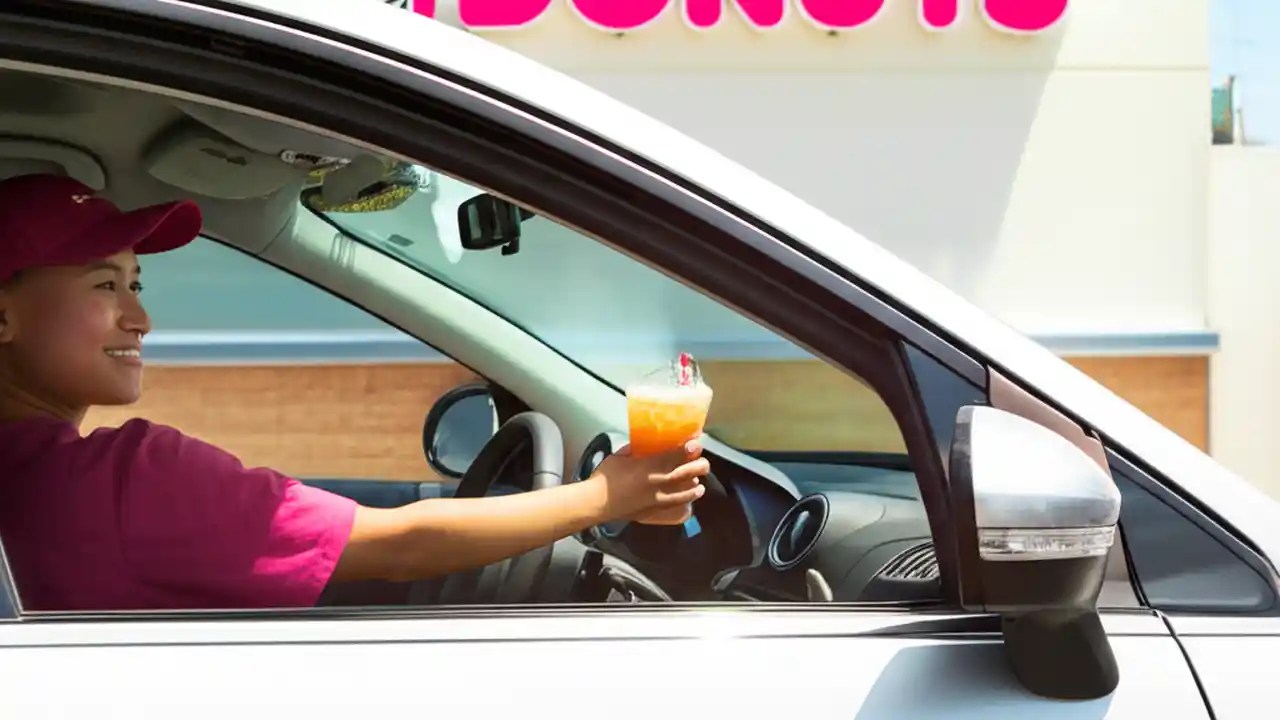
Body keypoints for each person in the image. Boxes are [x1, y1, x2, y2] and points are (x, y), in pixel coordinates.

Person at [0, 173, 708, 612]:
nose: (141, 318)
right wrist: (607, 496)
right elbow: (400, 546)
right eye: (104, 285)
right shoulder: (129, 481)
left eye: (136, 284)